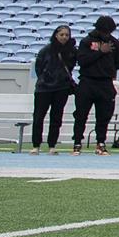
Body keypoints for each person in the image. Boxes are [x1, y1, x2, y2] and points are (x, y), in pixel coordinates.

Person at [72, 16, 119, 154]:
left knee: (104, 115)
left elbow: (118, 63)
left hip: (105, 83)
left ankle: (101, 142)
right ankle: (77, 142)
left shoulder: (114, 43)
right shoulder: (87, 42)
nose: (107, 34)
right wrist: (100, 53)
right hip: (87, 81)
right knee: (81, 115)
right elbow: (82, 61)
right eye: (104, 31)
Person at [29, 24, 78, 154]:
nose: (64, 37)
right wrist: (46, 78)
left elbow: (71, 67)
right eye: (62, 34)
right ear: (56, 35)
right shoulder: (46, 50)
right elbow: (39, 67)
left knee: (56, 118)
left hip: (61, 88)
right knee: (39, 117)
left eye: (67, 35)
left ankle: (52, 145)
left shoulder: (71, 51)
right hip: (44, 88)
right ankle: (36, 145)